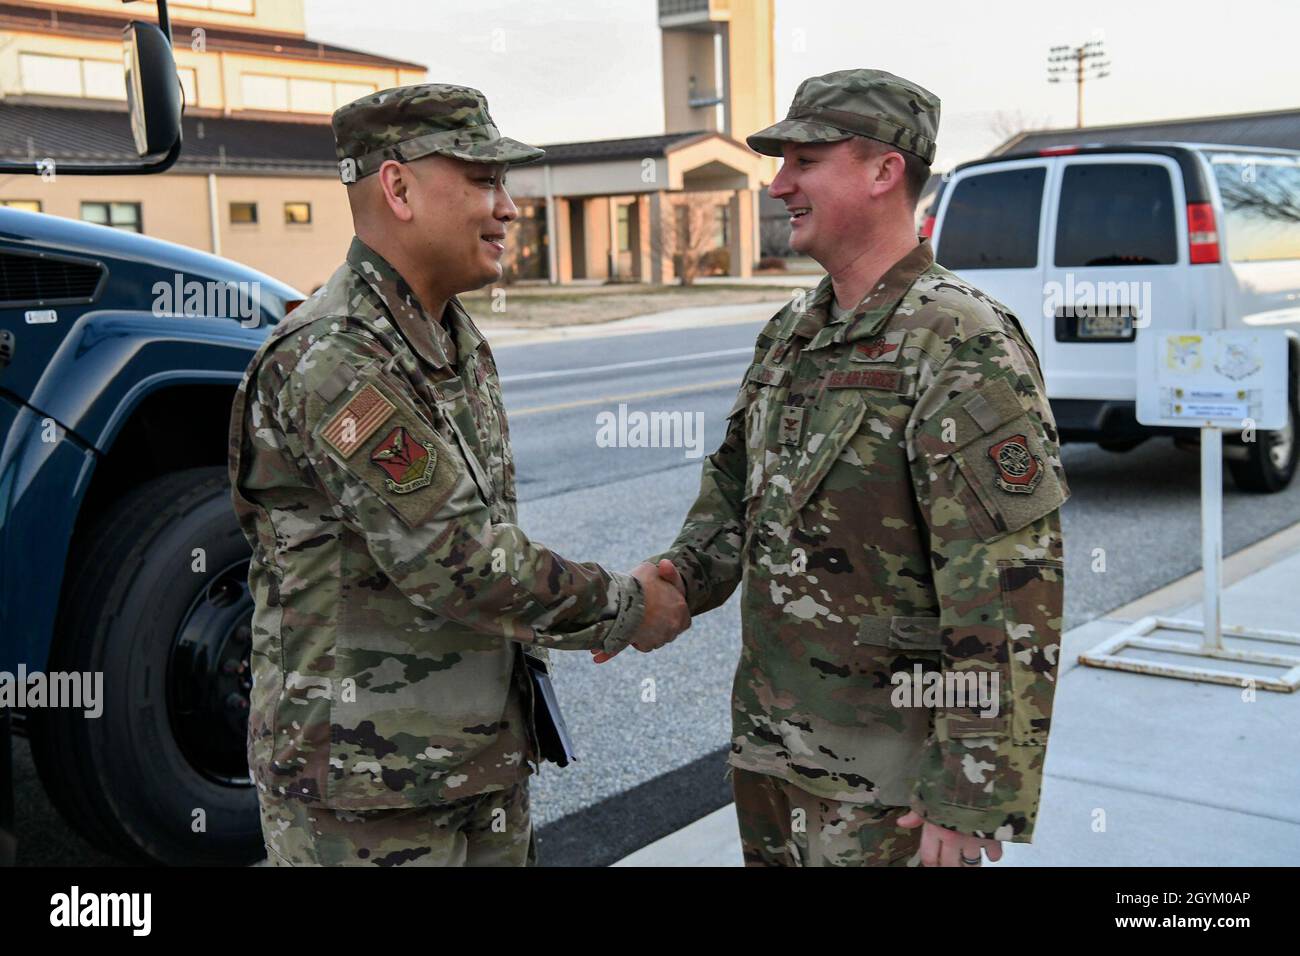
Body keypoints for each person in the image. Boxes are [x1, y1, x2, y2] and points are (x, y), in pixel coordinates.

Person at [604, 69, 1069, 867]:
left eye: (803, 161)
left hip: (891, 783)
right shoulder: (794, 329)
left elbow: (1008, 587)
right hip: (772, 752)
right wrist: (677, 581)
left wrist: (974, 788)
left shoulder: (960, 342)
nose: (778, 183)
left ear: (884, 171)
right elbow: (735, 494)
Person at [228, 83, 689, 867]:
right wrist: (626, 606)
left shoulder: (449, 337)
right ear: (397, 187)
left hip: (472, 763)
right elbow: (463, 561)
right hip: (369, 795)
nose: (508, 207)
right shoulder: (338, 357)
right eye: (482, 180)